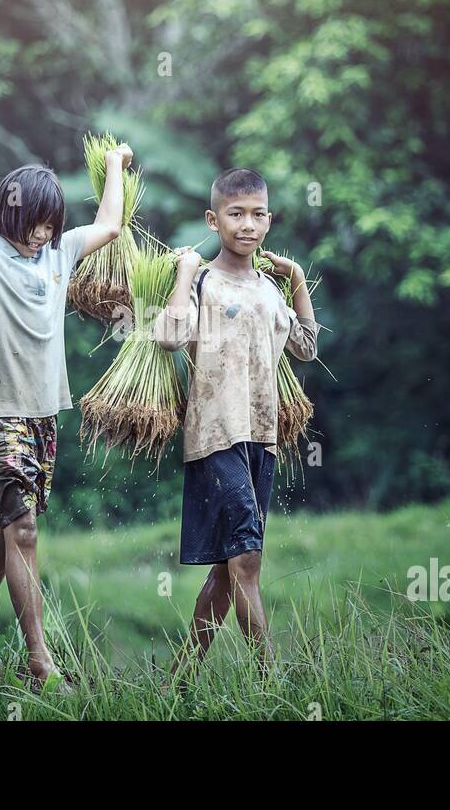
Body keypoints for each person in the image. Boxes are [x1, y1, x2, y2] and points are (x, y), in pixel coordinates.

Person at [0, 141, 133, 689]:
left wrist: (113, 168)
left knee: (7, 531)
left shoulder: (58, 253)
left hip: (43, 415)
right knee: (25, 530)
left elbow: (108, 223)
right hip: (0, 414)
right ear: (10, 213)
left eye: (49, 225)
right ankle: (41, 661)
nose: (40, 235)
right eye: (33, 223)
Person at [154, 167, 320, 675]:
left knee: (230, 571)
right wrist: (183, 274)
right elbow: (167, 337)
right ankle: (272, 682)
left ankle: (176, 685)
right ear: (214, 219)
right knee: (246, 560)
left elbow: (308, 348)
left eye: (257, 215)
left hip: (261, 439)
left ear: (269, 221)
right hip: (216, 435)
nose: (247, 224)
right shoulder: (204, 280)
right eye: (235, 214)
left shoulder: (271, 290)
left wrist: (295, 281)